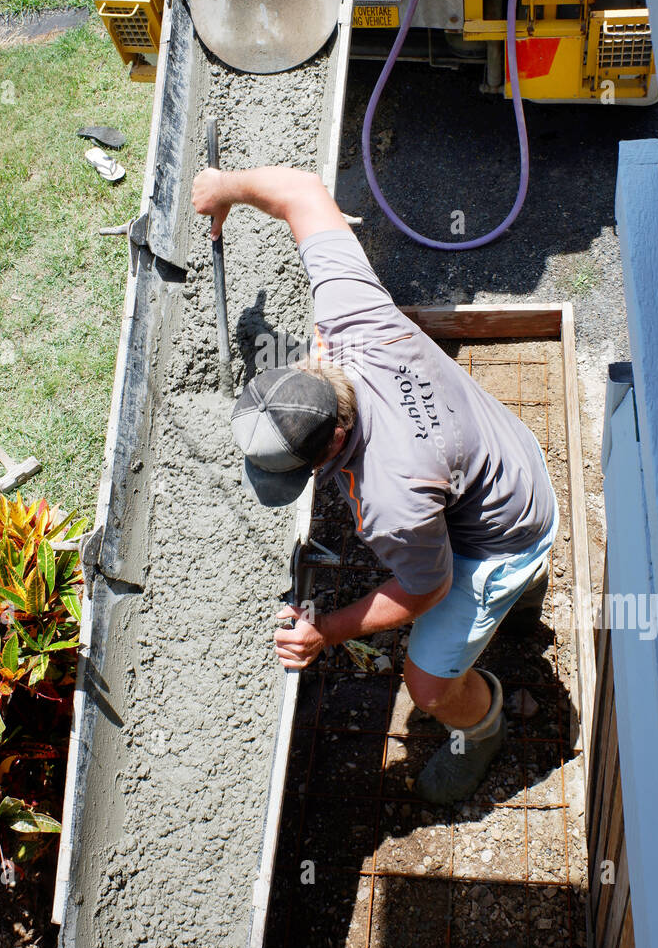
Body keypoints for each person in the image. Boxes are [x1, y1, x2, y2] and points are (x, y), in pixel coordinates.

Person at [191, 165, 559, 804]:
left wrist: (323, 631)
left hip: (505, 534)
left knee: (426, 684)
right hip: (506, 456)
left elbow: (427, 586)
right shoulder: (351, 320)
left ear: (333, 443)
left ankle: (483, 724)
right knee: (450, 541)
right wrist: (226, 187)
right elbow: (304, 192)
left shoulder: (391, 497)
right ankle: (521, 600)